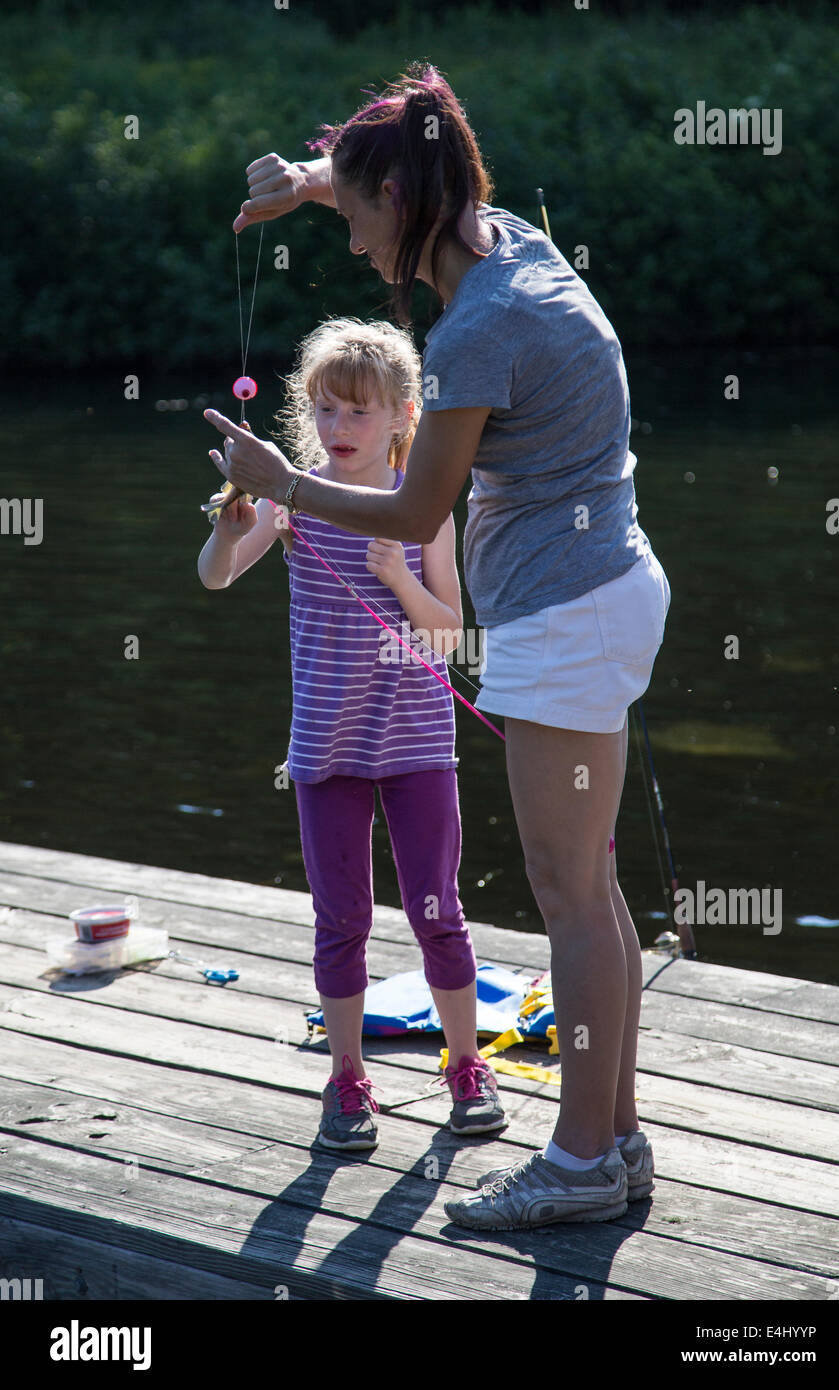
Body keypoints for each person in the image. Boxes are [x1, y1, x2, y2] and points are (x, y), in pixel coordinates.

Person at [205, 62, 671, 1229]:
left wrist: (280, 484)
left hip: (562, 619)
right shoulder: (506, 241)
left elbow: (413, 517)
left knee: (568, 894)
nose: (357, 247)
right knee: (593, 886)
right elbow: (392, 191)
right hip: (606, 592)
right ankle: (611, 1140)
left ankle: (572, 1160)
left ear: (403, 208)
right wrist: (311, 180)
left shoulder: (475, 336)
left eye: (360, 222)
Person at [197, 315, 507, 1151]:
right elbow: (217, 577)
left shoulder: (426, 512)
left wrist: (400, 577)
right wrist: (227, 532)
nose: (339, 430)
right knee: (341, 920)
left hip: (414, 748)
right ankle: (346, 1080)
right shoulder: (291, 493)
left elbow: (449, 636)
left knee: (438, 910)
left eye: (359, 413)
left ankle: (464, 1065)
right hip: (326, 748)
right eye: (326, 411)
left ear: (405, 416)